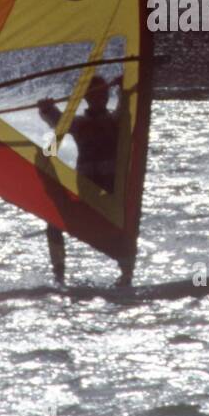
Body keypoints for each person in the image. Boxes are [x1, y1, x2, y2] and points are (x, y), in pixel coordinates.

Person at [37, 75, 134, 287]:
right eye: (96, 94)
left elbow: (126, 108)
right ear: (87, 98)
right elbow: (59, 122)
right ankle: (59, 275)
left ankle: (126, 275)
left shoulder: (115, 121)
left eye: (104, 93)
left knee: (124, 228)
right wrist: (46, 109)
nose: (101, 97)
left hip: (110, 194)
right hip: (87, 193)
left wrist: (126, 88)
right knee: (53, 223)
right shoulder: (80, 124)